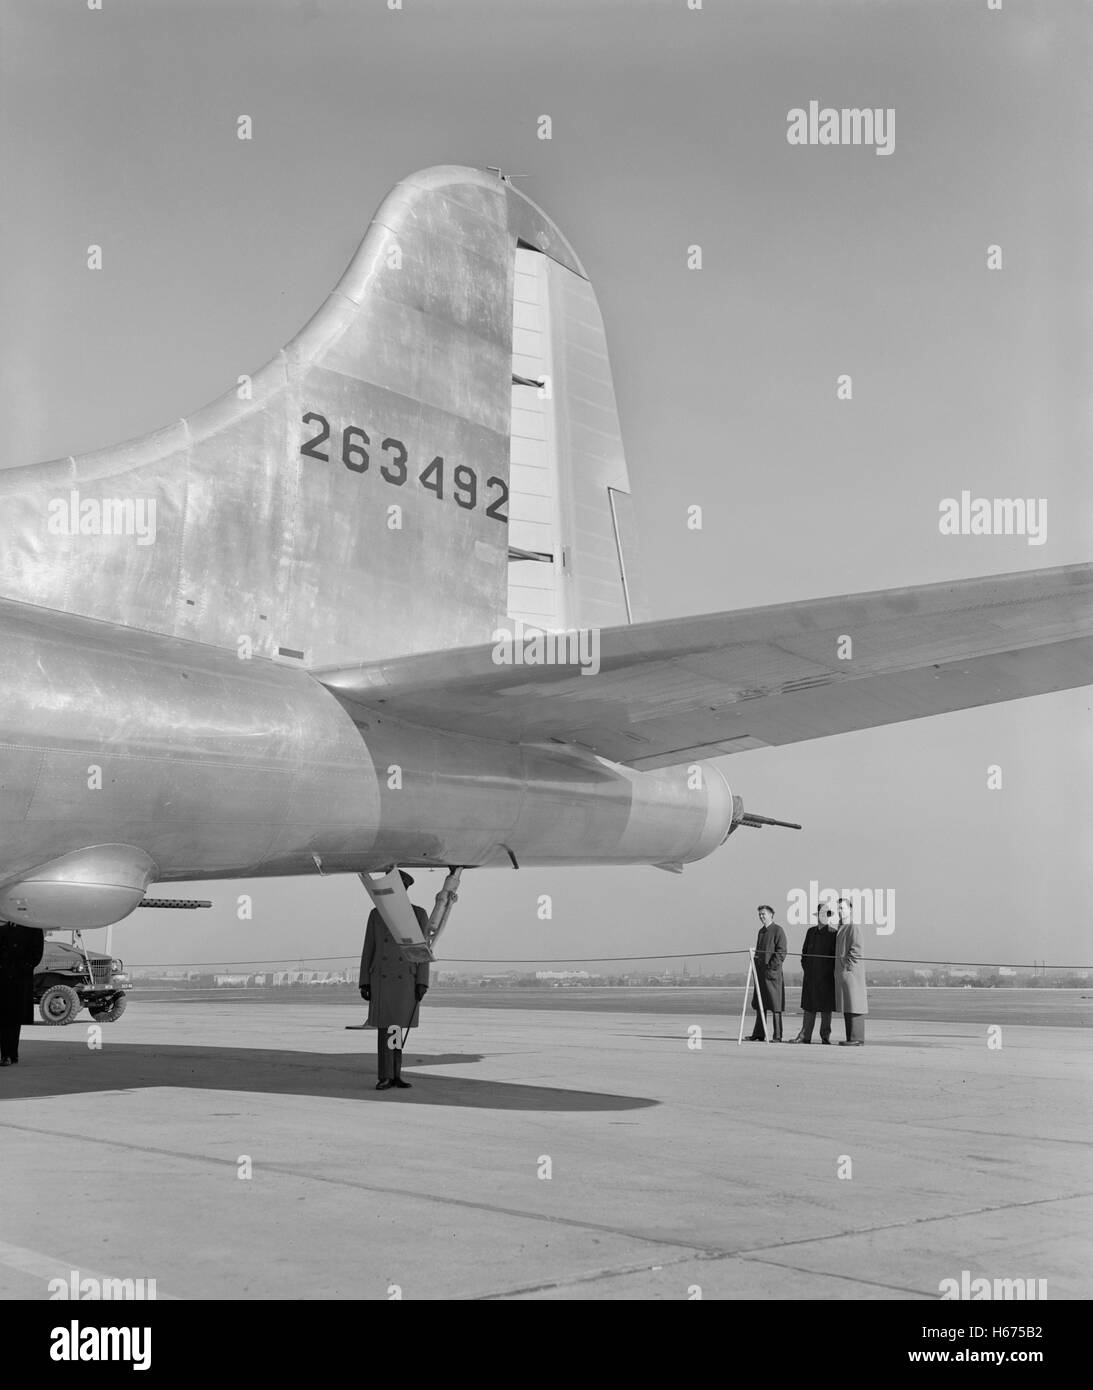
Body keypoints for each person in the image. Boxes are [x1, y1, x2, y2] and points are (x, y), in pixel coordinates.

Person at [359, 872, 430, 1090]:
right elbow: (368, 948)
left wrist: (422, 982)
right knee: (385, 1031)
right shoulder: (376, 914)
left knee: (397, 1030)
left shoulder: (418, 914)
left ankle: (396, 1074)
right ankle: (385, 1076)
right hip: (382, 980)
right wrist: (365, 982)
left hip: (405, 981)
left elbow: (423, 951)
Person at [789, 900, 837, 1043]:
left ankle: (825, 1037)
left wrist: (829, 973)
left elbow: (835, 958)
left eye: (826, 914)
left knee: (826, 1009)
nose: (824, 916)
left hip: (827, 978)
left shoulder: (833, 933)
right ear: (817, 915)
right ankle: (805, 1036)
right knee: (809, 1007)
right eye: (821, 913)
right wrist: (808, 969)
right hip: (810, 977)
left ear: (829, 916)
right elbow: (803, 955)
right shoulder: (810, 932)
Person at [0, 921, 45, 1066]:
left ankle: (10, 1054)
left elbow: (36, 954)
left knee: (13, 1020)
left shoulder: (33, 929)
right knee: (5, 1020)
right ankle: (7, 1054)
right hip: (3, 979)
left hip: (19, 980)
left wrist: (22, 968)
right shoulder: (4, 929)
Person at [746, 904, 787, 1041]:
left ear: (771, 915)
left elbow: (781, 952)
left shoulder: (778, 930)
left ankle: (778, 1035)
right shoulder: (761, 932)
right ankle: (759, 1033)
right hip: (760, 974)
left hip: (773, 975)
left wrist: (771, 968)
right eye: (760, 914)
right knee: (760, 1004)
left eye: (763, 914)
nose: (761, 916)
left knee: (776, 1005)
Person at [834, 897, 868, 1045]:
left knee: (855, 1004)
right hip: (844, 973)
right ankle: (851, 1037)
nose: (840, 911)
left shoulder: (853, 927)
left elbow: (856, 950)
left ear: (850, 909)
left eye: (843, 908)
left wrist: (848, 967)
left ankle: (857, 1038)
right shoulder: (841, 927)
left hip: (852, 973)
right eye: (839, 908)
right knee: (848, 1005)